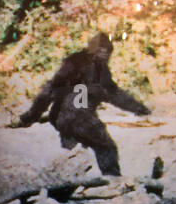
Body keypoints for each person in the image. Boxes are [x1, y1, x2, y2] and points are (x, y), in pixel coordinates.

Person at [12, 32, 150, 176]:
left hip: (62, 118)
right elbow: (52, 89)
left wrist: (30, 116)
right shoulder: (85, 65)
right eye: (101, 49)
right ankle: (113, 181)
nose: (104, 53)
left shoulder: (83, 63)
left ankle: (63, 184)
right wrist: (30, 116)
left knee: (72, 154)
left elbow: (114, 94)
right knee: (106, 147)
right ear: (92, 49)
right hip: (78, 116)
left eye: (107, 50)